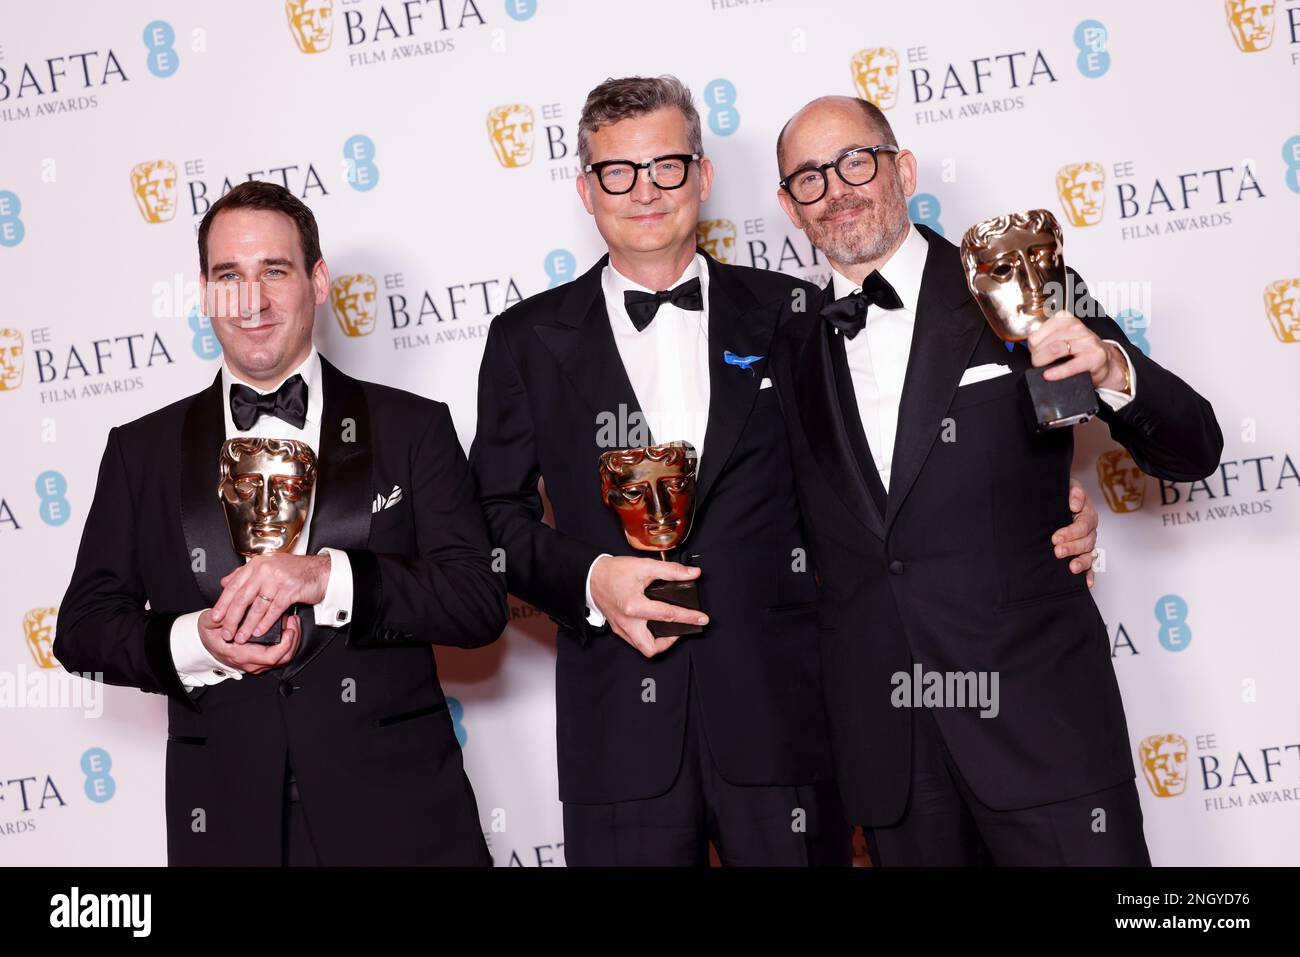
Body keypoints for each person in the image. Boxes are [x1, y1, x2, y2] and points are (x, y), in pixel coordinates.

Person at [470, 76, 1098, 866]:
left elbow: (882, 467)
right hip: (618, 737)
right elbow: (489, 519)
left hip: (787, 724)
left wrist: (1043, 499)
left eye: (666, 165)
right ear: (586, 192)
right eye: (617, 173)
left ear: (702, 176)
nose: (645, 191)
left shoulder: (797, 313)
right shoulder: (526, 339)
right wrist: (590, 578)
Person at [770, 95, 1223, 865]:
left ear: (901, 168)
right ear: (788, 206)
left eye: (855, 161)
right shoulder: (791, 348)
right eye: (808, 178)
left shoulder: (1023, 286)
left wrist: (1114, 368)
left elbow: (1193, 447)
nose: (835, 189)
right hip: (894, 763)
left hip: (1043, 729)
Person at [55, 180, 506, 866]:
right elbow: (83, 629)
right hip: (228, 829)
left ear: (318, 280)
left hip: (405, 822)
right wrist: (195, 642)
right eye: (229, 276)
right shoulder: (140, 450)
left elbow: (478, 603)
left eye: (275, 271)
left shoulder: (413, 427)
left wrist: (333, 577)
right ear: (204, 291)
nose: (253, 301)